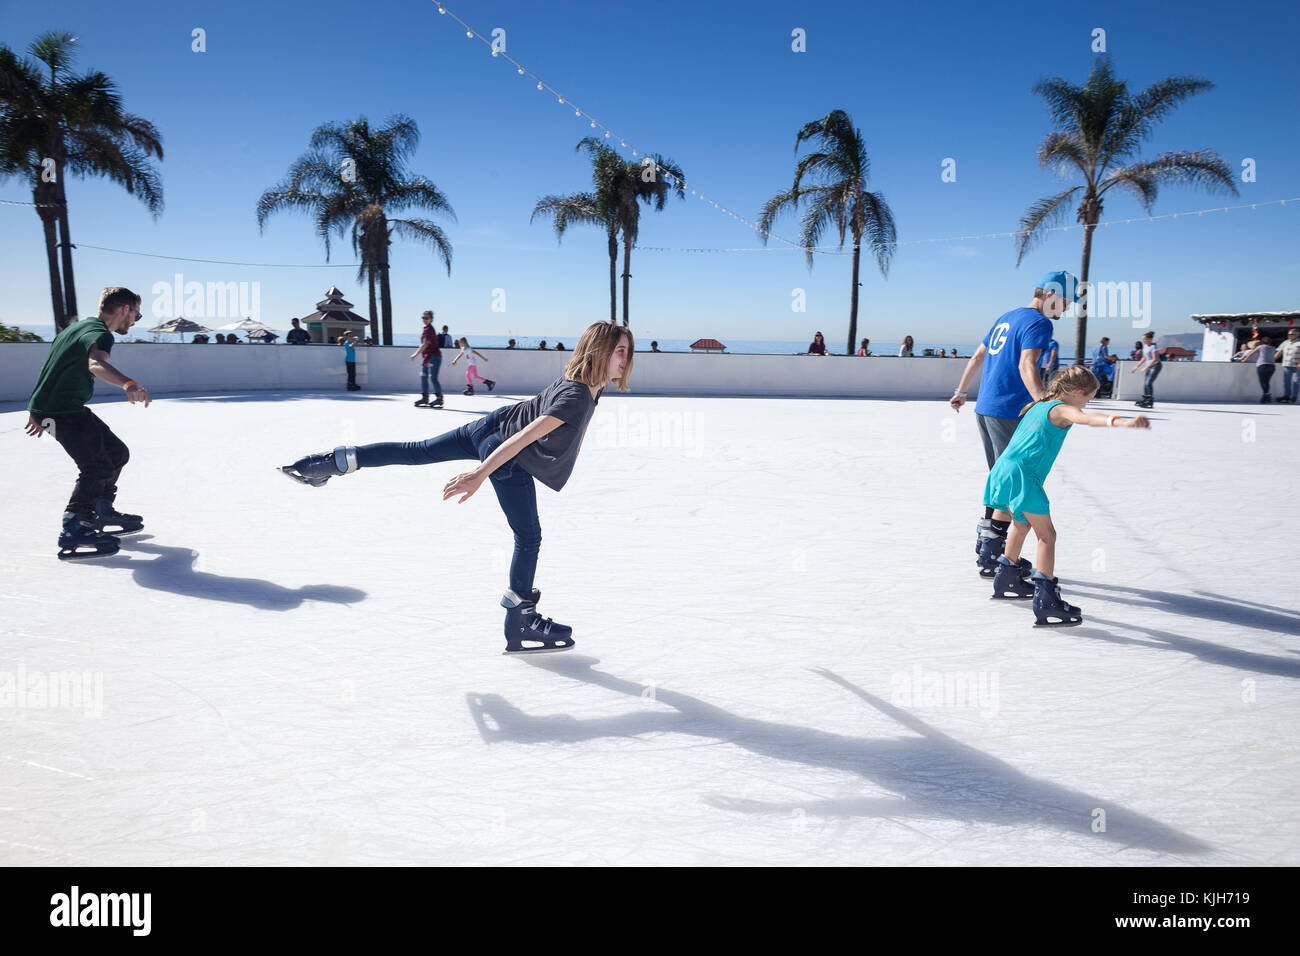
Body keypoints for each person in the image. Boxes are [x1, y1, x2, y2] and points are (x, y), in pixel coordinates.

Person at [280, 322, 634, 653]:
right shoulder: (576, 396)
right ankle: (521, 620)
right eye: (619, 350)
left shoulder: (586, 385)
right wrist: (480, 474)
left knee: (417, 451)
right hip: (505, 454)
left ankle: (330, 462)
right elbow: (526, 437)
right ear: (599, 351)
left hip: (487, 427)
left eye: (627, 350)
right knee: (529, 537)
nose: (626, 357)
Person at [984, 365, 1150, 626]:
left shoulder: (1039, 404)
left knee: (1021, 523)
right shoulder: (1061, 408)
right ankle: (1047, 601)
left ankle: (1007, 577)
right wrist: (1122, 422)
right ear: (1078, 392)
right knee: (1047, 536)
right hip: (1024, 475)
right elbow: (1086, 419)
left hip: (1004, 469)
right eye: (1087, 399)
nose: (1085, 405)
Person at [949, 270, 1076, 577]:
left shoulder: (1006, 317)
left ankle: (990, 551)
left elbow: (978, 357)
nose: (1068, 308)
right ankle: (996, 557)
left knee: (1001, 480)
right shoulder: (1038, 322)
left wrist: (961, 391)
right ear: (1050, 296)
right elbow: (1026, 364)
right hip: (1009, 409)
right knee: (1016, 483)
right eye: (1066, 301)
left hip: (986, 408)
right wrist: (1044, 404)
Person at [24, 287, 152, 560]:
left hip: (57, 409)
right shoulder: (101, 333)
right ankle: (75, 525)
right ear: (125, 310)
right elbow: (95, 364)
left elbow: (52, 366)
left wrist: (35, 409)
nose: (134, 322)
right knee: (96, 465)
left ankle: (101, 510)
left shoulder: (78, 327)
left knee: (117, 453)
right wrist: (128, 383)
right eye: (137, 316)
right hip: (61, 412)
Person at [409, 310, 444, 408]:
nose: (424, 319)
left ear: (431, 319)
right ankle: (425, 397)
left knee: (433, 378)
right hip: (427, 358)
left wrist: (415, 354)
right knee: (423, 376)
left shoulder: (430, 330)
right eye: (423, 318)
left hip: (434, 357)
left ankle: (439, 398)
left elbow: (425, 344)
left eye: (426, 318)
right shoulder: (425, 329)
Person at [1237, 334, 1276, 404]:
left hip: (1262, 365)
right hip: (1271, 366)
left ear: (1262, 342)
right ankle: (1266, 396)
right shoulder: (1273, 348)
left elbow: (1251, 353)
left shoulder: (1260, 347)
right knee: (1266, 381)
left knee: (1263, 381)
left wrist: (1244, 359)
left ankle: (1267, 395)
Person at [1130, 330, 1163, 408]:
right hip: (1149, 366)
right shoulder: (1145, 347)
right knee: (1145, 383)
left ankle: (1150, 401)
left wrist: (1145, 368)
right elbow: (1144, 358)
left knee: (1148, 383)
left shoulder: (1153, 347)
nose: (1143, 340)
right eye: (1143, 339)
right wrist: (1136, 366)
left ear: (1149, 339)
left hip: (1155, 366)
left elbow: (1154, 359)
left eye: (1145, 339)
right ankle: (1146, 399)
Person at [1276, 327, 1300, 404]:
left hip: (1297, 366)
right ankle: (1287, 396)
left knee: (1295, 381)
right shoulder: (1285, 342)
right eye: (1289, 334)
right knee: (1286, 382)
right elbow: (1279, 352)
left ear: (1297, 335)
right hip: (1286, 365)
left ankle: (1294, 396)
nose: (1289, 335)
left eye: (1292, 334)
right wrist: (1272, 359)